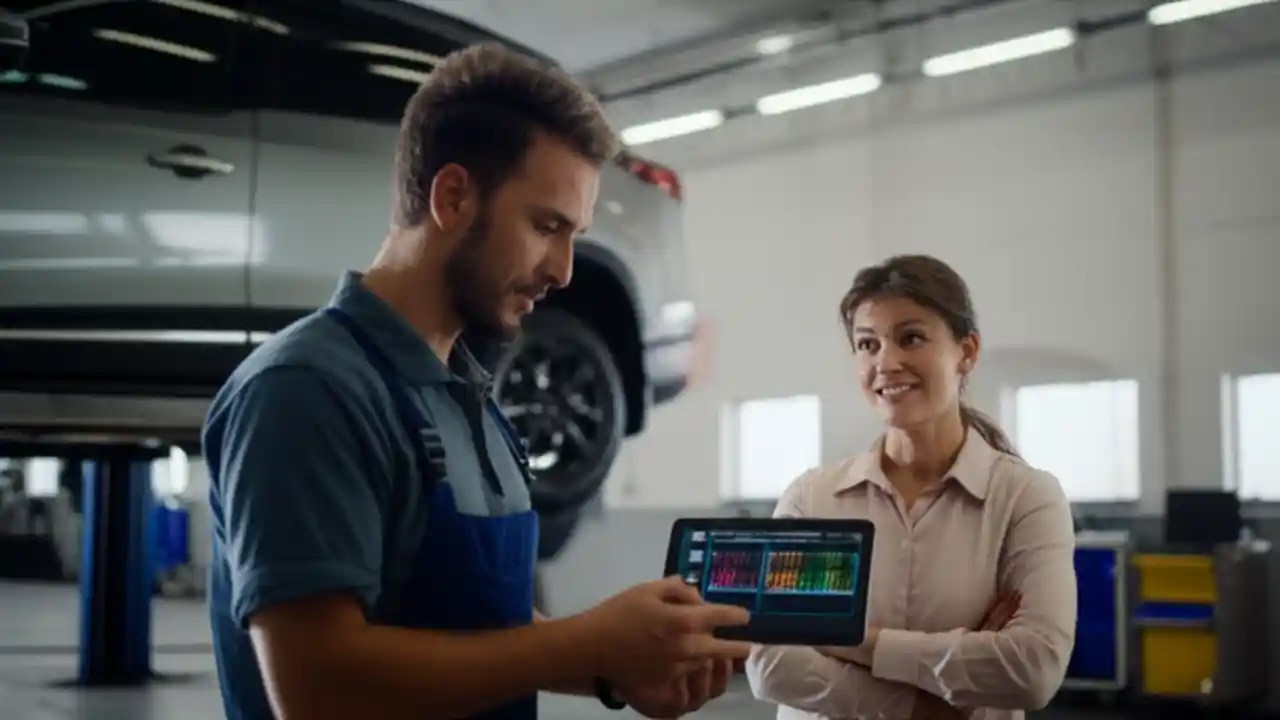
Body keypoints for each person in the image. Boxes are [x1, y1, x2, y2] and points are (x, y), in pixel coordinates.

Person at [202, 43, 750, 720]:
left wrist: (616, 666)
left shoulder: (474, 407)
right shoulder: (305, 390)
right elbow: (316, 688)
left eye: (573, 234)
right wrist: (586, 643)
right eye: (547, 226)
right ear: (453, 197)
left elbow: (481, 627)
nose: (566, 270)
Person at [745, 255, 1076, 720]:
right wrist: (919, 707)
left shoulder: (1025, 499)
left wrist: (853, 640)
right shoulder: (812, 499)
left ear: (967, 352)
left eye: (911, 338)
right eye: (867, 344)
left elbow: (1032, 668)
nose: (887, 362)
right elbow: (770, 664)